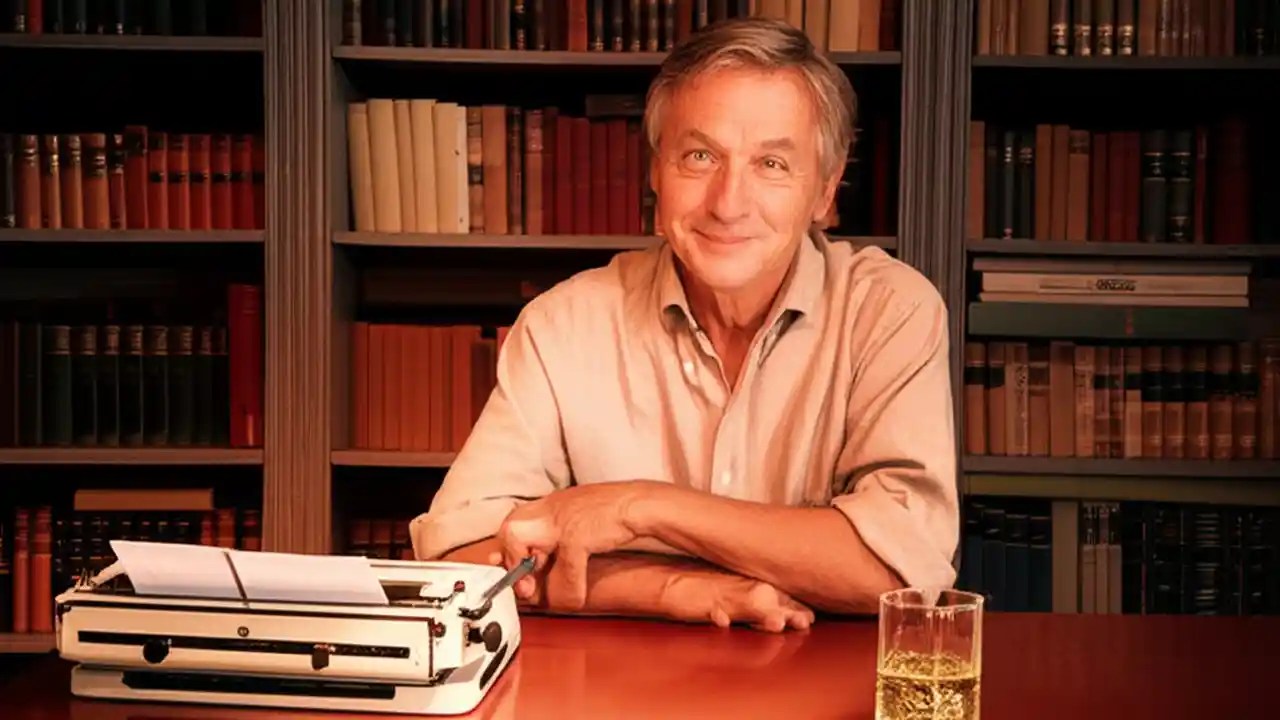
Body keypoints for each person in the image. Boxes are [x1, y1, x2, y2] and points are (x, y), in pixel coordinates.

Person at [409, 16, 958, 633]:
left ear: (825, 194)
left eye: (772, 163)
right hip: (614, 680)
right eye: (700, 157)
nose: (728, 203)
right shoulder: (562, 324)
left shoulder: (890, 312)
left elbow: (902, 569)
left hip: (831, 679)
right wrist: (673, 589)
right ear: (656, 174)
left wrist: (640, 507)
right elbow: (457, 556)